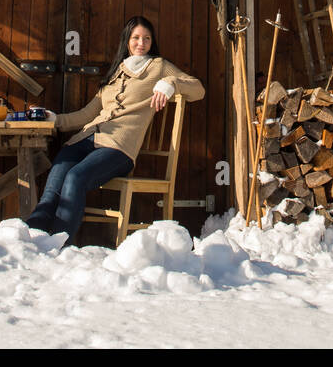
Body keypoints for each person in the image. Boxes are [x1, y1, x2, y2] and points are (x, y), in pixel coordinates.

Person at [27, 15, 204, 244]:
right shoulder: (115, 72)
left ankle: (57, 244)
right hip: (86, 139)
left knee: (75, 178)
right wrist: (54, 120)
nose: (141, 43)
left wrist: (171, 83)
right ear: (127, 40)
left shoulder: (159, 66)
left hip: (119, 149)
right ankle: (31, 239)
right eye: (136, 38)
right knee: (54, 184)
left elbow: (198, 89)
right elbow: (87, 114)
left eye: (147, 38)